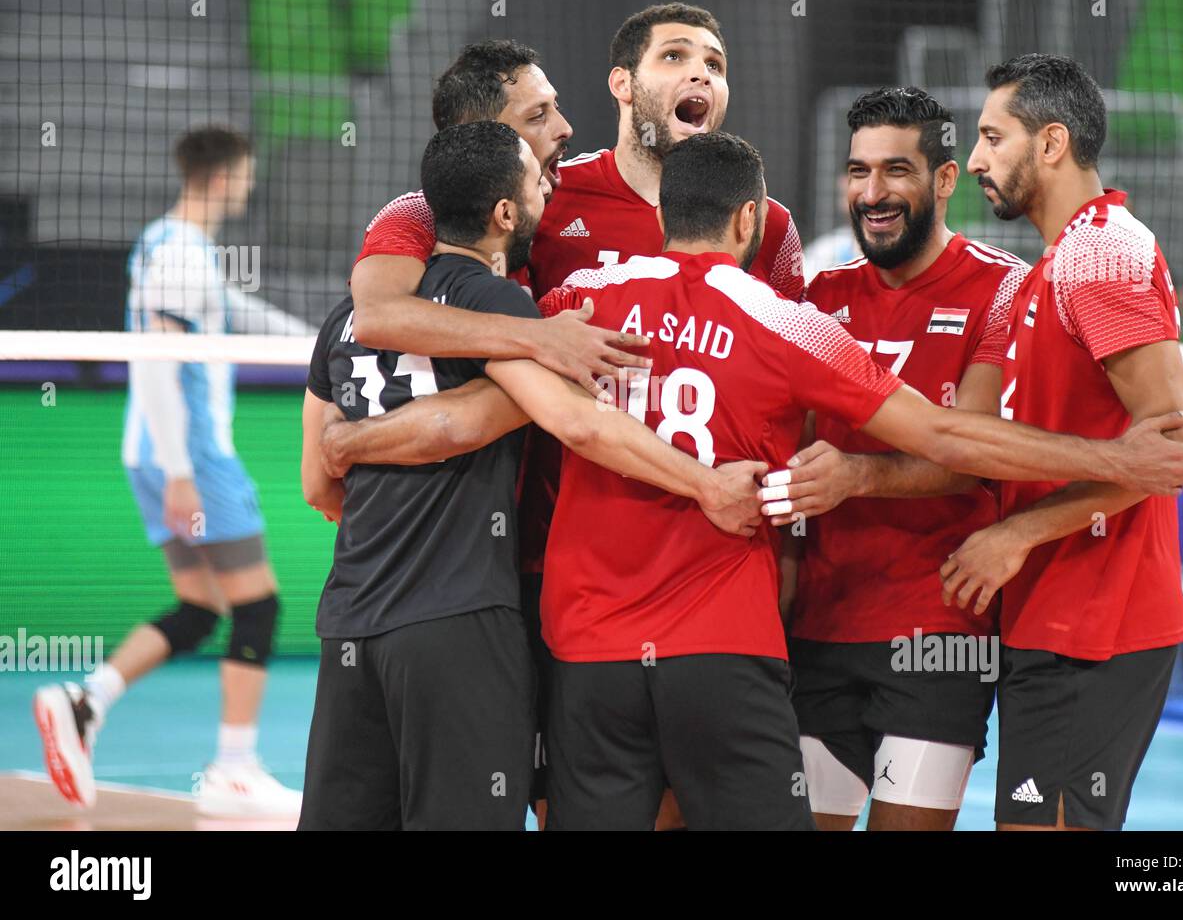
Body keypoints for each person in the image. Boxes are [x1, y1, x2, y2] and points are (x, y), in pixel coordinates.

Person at [532, 131, 1183, 830]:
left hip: (588, 650)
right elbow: (945, 435)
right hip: (724, 647)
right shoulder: (792, 322)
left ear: (663, 213)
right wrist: (1113, 459)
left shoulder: (574, 305)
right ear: (747, 219)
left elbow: (530, 390)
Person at [297, 121, 764, 829]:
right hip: (457, 618)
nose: (551, 183)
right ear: (505, 215)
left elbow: (317, 484)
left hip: (349, 621)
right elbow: (576, 423)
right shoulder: (504, 306)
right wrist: (704, 484)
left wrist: (356, 450)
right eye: (536, 180)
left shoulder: (349, 319)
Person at [949, 53, 1183, 831]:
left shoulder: (1100, 254)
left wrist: (1017, 532)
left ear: (1051, 144)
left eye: (994, 138)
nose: (978, 161)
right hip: (1054, 615)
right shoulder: (1047, 268)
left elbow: (1172, 450)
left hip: (1097, 622)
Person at [770, 87, 1028, 830]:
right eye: (857, 172)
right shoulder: (816, 299)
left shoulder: (1002, 290)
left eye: (895, 172)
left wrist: (857, 477)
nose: (872, 194)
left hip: (938, 634)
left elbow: (976, 449)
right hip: (821, 623)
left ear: (944, 180)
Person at [34, 125, 308, 817]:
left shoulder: (169, 243)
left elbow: (228, 311)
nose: (248, 186)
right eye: (244, 175)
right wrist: (184, 470)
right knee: (259, 604)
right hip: (190, 454)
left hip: (152, 454)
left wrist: (315, 338)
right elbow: (159, 359)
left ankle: (84, 699)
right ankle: (234, 769)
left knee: (200, 606)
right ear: (222, 177)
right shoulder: (184, 252)